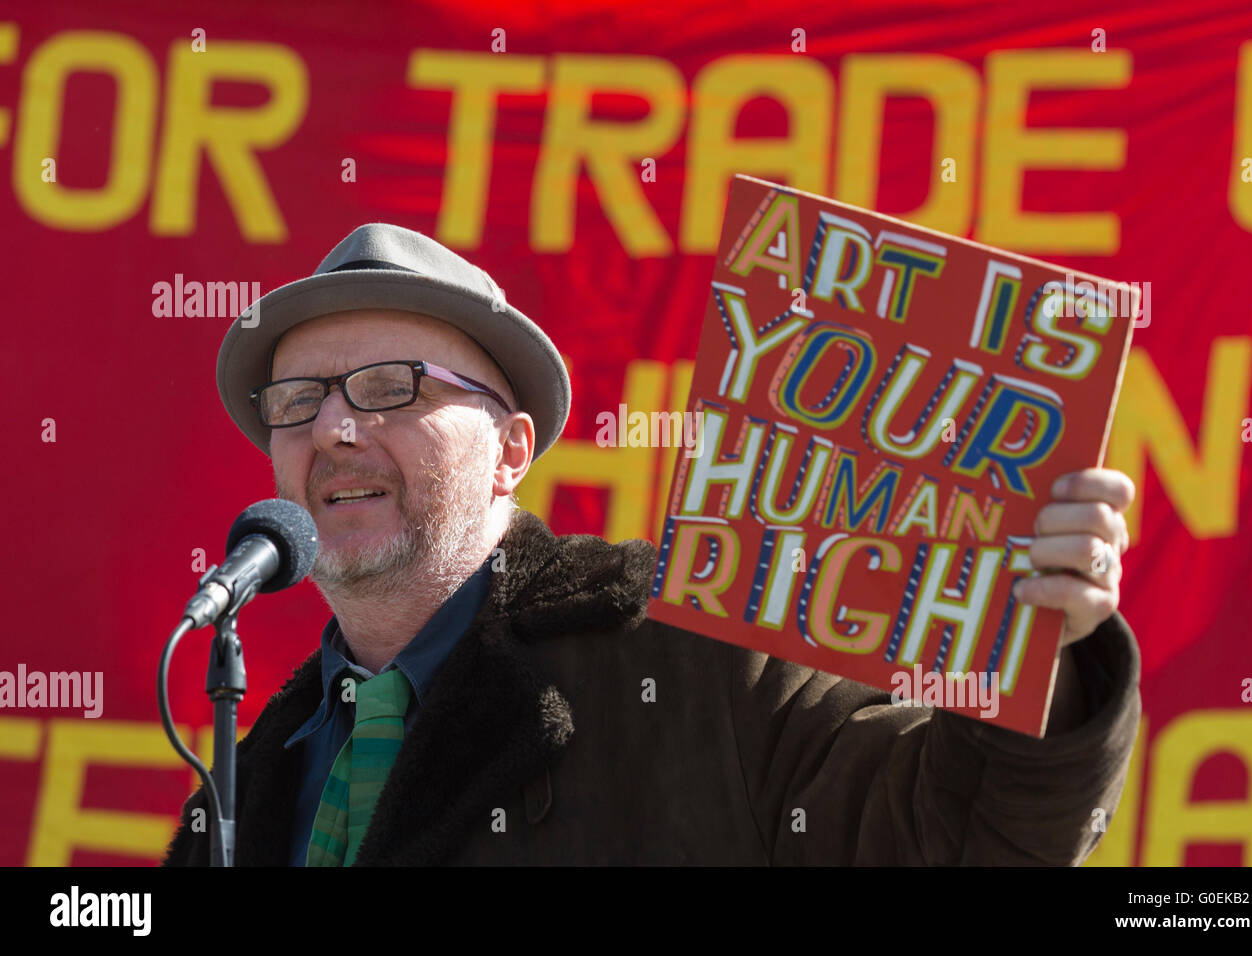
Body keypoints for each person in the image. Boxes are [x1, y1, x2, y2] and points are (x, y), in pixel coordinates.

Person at [162, 222, 1141, 866]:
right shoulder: (243, 781)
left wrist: (1038, 652)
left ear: (511, 451)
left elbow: (956, 834)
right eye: (297, 402)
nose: (334, 429)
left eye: (389, 387)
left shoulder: (683, 654)